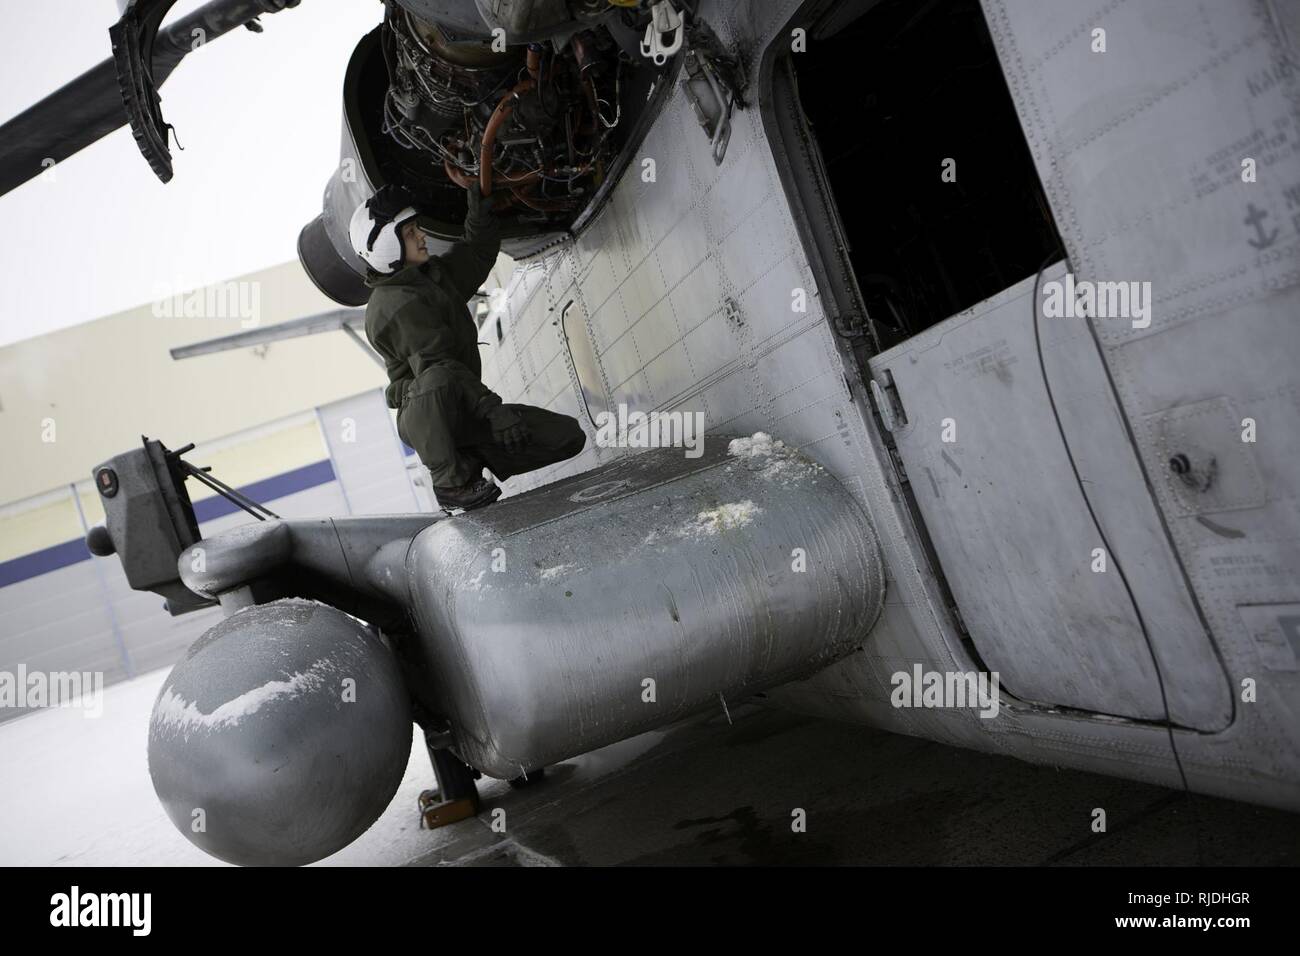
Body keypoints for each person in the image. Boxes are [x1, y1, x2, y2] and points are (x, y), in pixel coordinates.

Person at [349, 183, 586, 510]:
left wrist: (479, 212)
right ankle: (451, 482)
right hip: (432, 416)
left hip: (463, 403)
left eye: (417, 228)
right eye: (410, 233)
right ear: (385, 246)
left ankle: (474, 455)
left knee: (567, 436)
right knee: (439, 377)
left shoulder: (429, 277)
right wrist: (495, 412)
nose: (421, 236)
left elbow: (475, 253)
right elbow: (441, 367)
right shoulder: (393, 305)